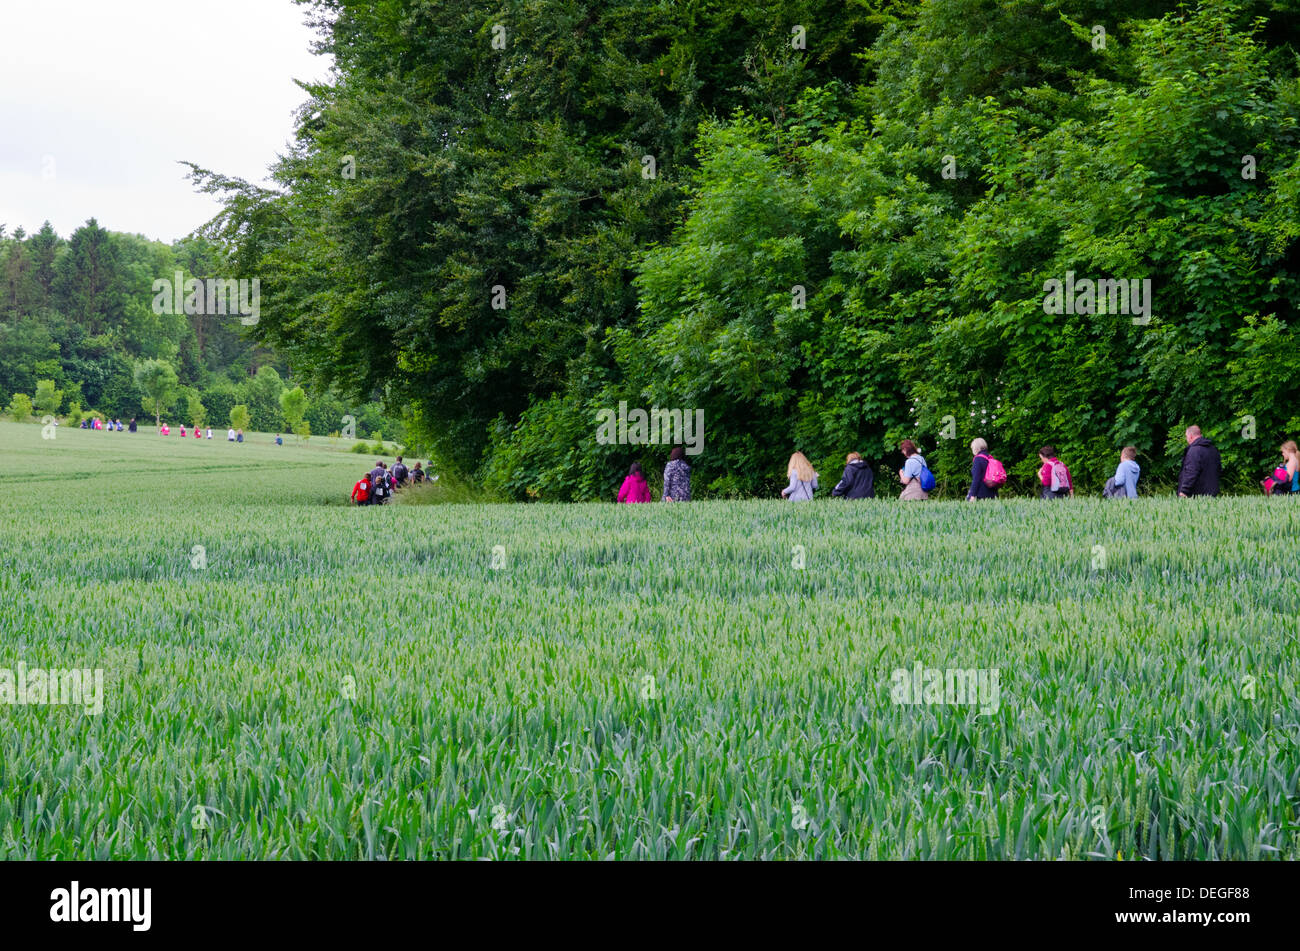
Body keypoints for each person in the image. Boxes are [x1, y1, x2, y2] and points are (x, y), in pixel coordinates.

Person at [1177, 425, 1221, 497]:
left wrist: (1184, 491)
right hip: (1212, 494)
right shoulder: (1213, 449)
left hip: (1196, 496)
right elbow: (1218, 470)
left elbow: (1191, 472)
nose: (1186, 439)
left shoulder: (1194, 451)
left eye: (1186, 436)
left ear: (1190, 436)